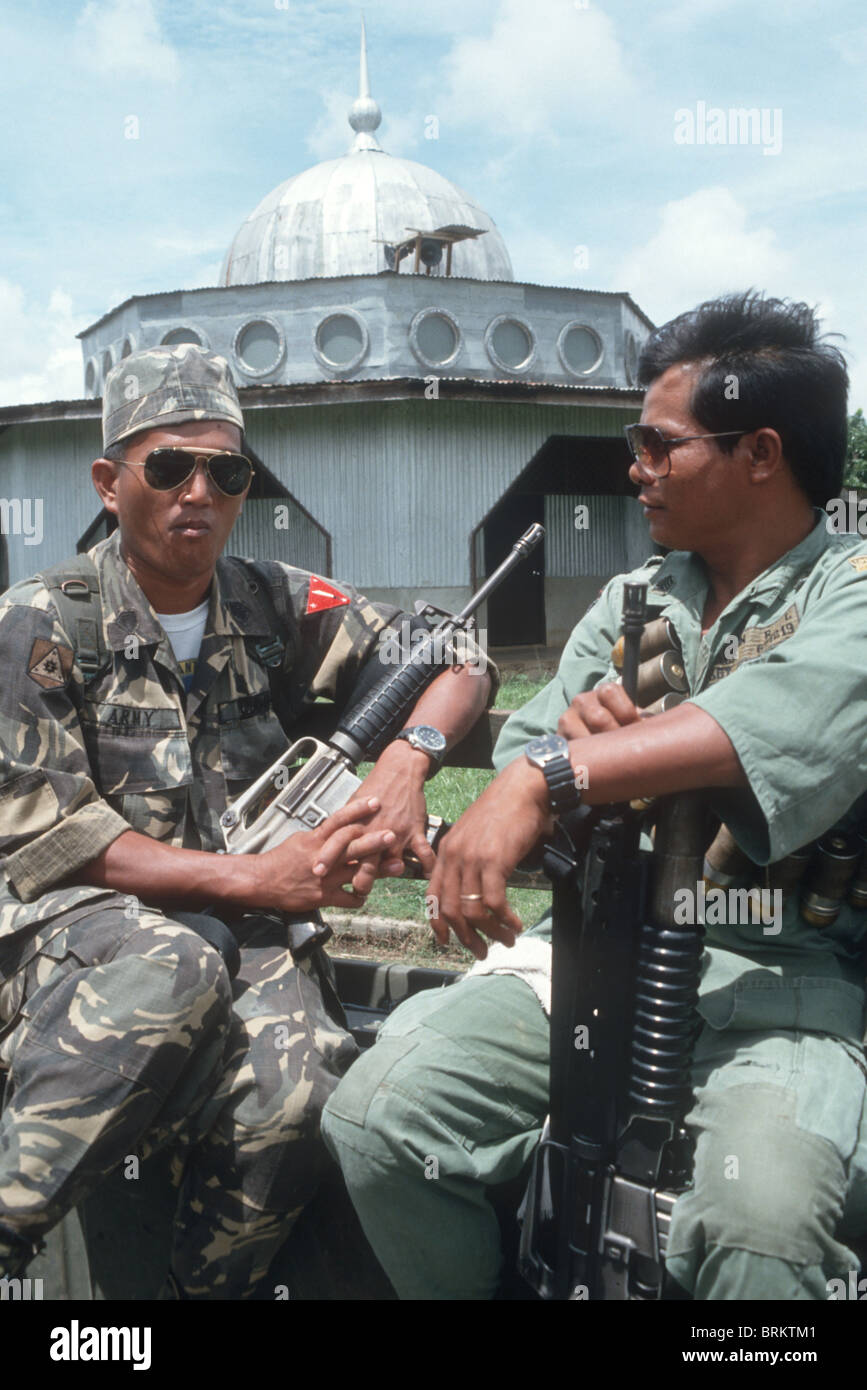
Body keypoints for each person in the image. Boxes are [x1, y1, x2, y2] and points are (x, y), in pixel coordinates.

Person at [322, 291, 867, 1301]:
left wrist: (554, 774)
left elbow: (790, 714)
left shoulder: (851, 588)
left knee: (764, 1223)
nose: (636, 467)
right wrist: (558, 770)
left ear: (760, 450)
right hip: (595, 952)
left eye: (660, 443)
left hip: (788, 970)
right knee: (382, 1117)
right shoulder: (634, 606)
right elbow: (536, 756)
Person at [0, 343, 492, 1299]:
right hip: (72, 935)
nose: (201, 492)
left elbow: (460, 643)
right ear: (110, 481)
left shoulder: (273, 601)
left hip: (251, 927)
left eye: (227, 471)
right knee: (171, 961)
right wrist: (255, 882)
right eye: (169, 466)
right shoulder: (39, 625)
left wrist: (408, 758)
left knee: (299, 1088)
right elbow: (56, 842)